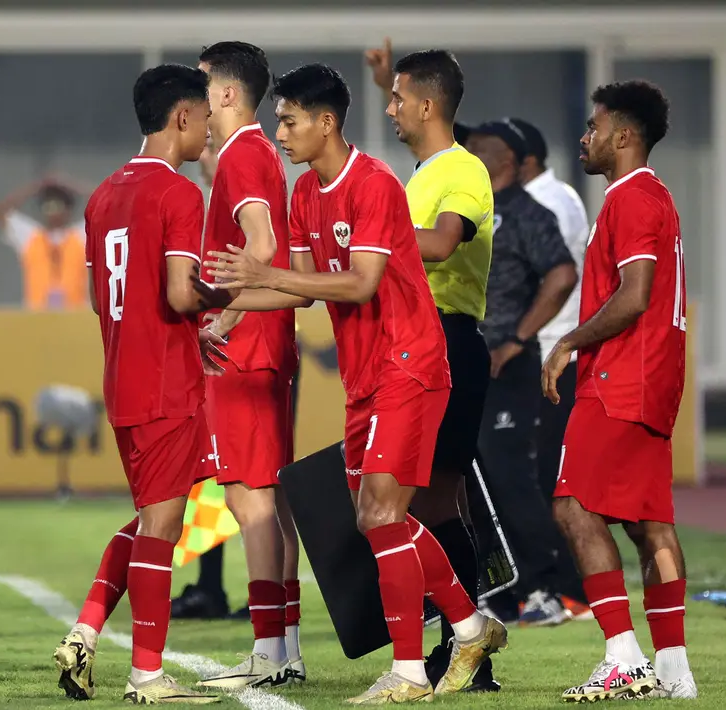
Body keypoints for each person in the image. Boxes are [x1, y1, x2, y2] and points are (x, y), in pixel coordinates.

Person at [200, 62, 506, 705]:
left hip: (410, 365)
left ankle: (409, 673)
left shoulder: (374, 184)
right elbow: (303, 290)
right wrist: (225, 314)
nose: (279, 132)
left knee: (378, 515)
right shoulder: (308, 194)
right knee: (379, 521)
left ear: (325, 121)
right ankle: (471, 625)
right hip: (365, 376)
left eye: (288, 121)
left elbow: (360, 281)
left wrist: (270, 274)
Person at [52, 62, 222, 705]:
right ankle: (148, 675)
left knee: (153, 516)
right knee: (163, 528)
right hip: (167, 384)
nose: (207, 129)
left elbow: (102, 300)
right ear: (182, 116)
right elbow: (182, 292)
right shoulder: (180, 194)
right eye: (204, 117)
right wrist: (237, 292)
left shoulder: (101, 196)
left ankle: (86, 631)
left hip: (124, 381)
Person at [542, 79, 696, 701]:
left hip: (620, 379)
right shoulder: (655, 196)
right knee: (649, 525)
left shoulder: (631, 199)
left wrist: (569, 342)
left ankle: (623, 656)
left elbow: (634, 296)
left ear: (624, 136)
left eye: (594, 127)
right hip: (654, 379)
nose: (586, 137)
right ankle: (675, 670)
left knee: (572, 505)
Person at [366, 42, 496, 689]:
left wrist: (360, 237)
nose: (388, 108)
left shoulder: (462, 171)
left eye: (395, 98)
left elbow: (443, 244)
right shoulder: (421, 174)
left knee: (413, 503)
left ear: (424, 104)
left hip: (445, 342)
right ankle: (462, 643)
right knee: (424, 504)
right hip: (415, 343)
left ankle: (461, 642)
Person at [188, 41, 305, 691]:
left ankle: (267, 650)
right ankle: (282, 645)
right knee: (269, 502)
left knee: (249, 499)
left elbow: (261, 246)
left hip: (245, 350)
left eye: (199, 86)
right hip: (265, 346)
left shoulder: (242, 155)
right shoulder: (245, 156)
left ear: (226, 95)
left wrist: (222, 321)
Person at [459, 120, 580, 627]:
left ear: (503, 162)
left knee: (511, 479)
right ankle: (499, 591)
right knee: (474, 482)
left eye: (477, 157)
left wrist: (517, 338)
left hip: (509, 367)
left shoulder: (529, 212)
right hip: (469, 362)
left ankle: (547, 586)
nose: (469, 166)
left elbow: (562, 273)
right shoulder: (472, 212)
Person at [509, 118, 593, 512]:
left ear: (523, 160)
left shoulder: (547, 205)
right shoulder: (559, 196)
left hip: (549, 355)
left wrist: (513, 337)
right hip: (548, 351)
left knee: (541, 479)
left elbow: (552, 279)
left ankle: (554, 569)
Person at [0, 174, 92, 311]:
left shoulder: (80, 235)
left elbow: (106, 205)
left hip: (75, 313)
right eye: (48, 206)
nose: (53, 212)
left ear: (68, 209)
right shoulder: (30, 236)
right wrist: (35, 187)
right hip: (36, 315)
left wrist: (69, 185)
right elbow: (0, 212)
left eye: (58, 206)